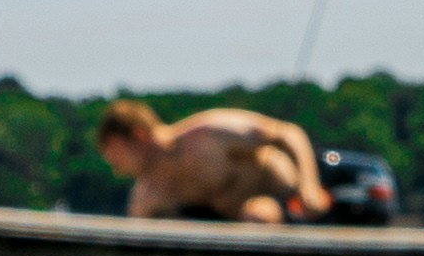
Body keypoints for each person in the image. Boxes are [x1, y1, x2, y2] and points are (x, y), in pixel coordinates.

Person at [99, 95, 323, 223]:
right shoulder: (148, 198)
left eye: (117, 158)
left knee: (258, 213)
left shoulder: (208, 135)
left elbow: (288, 133)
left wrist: (310, 186)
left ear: (139, 135)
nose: (117, 170)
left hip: (291, 203)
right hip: (236, 239)